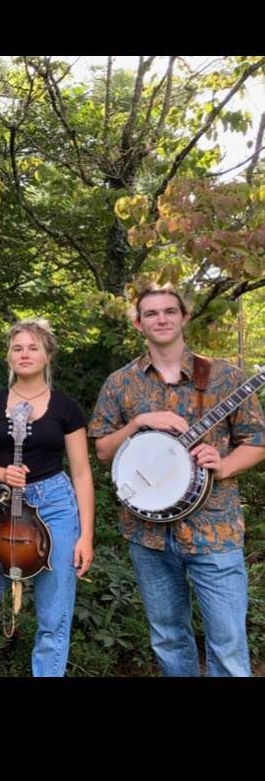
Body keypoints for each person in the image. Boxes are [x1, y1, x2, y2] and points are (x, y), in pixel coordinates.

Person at [89, 286, 265, 677]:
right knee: (168, 637)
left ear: (184, 317)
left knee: (229, 642)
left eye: (170, 311)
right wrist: (138, 422)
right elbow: (103, 451)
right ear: (139, 324)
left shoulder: (224, 377)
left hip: (214, 530)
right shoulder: (121, 384)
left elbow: (257, 441)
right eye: (151, 313)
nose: (162, 319)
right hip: (147, 535)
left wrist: (225, 464)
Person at [0, 318, 94, 677]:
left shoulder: (66, 407)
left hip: (56, 506)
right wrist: (1, 473)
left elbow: (82, 473)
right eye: (17, 347)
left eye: (33, 347)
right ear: (8, 356)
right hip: (5, 507)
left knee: (54, 614)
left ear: (47, 355)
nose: (25, 353)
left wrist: (86, 537)